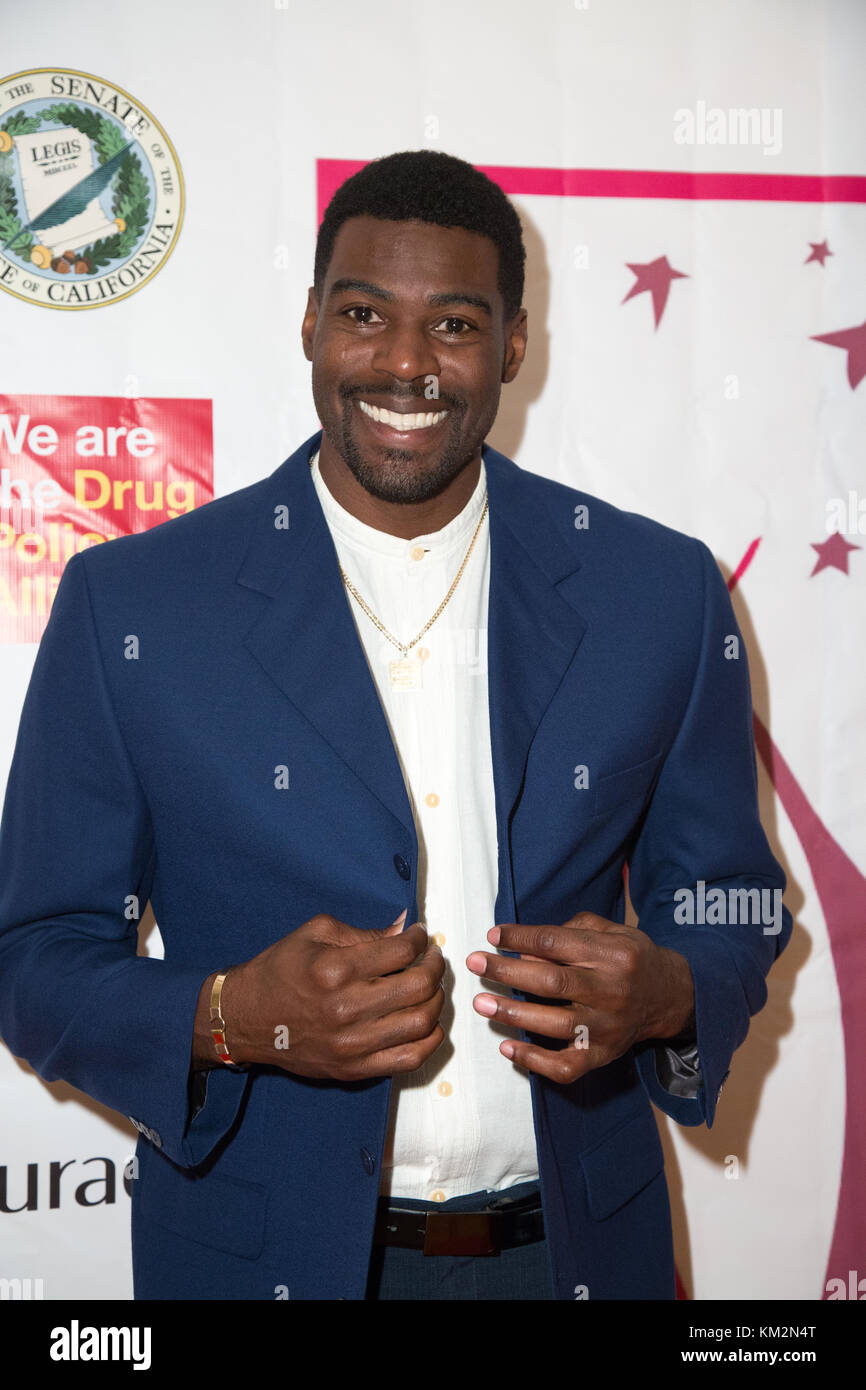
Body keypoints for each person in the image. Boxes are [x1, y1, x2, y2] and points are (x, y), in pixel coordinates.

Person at [0, 149, 792, 1301]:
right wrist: (232, 1018)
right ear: (312, 323)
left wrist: (668, 989)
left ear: (514, 347)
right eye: (365, 315)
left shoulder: (654, 591)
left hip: (576, 1252)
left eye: (455, 324)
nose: (406, 364)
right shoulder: (135, 604)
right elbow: (34, 956)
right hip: (261, 1262)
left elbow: (732, 901)